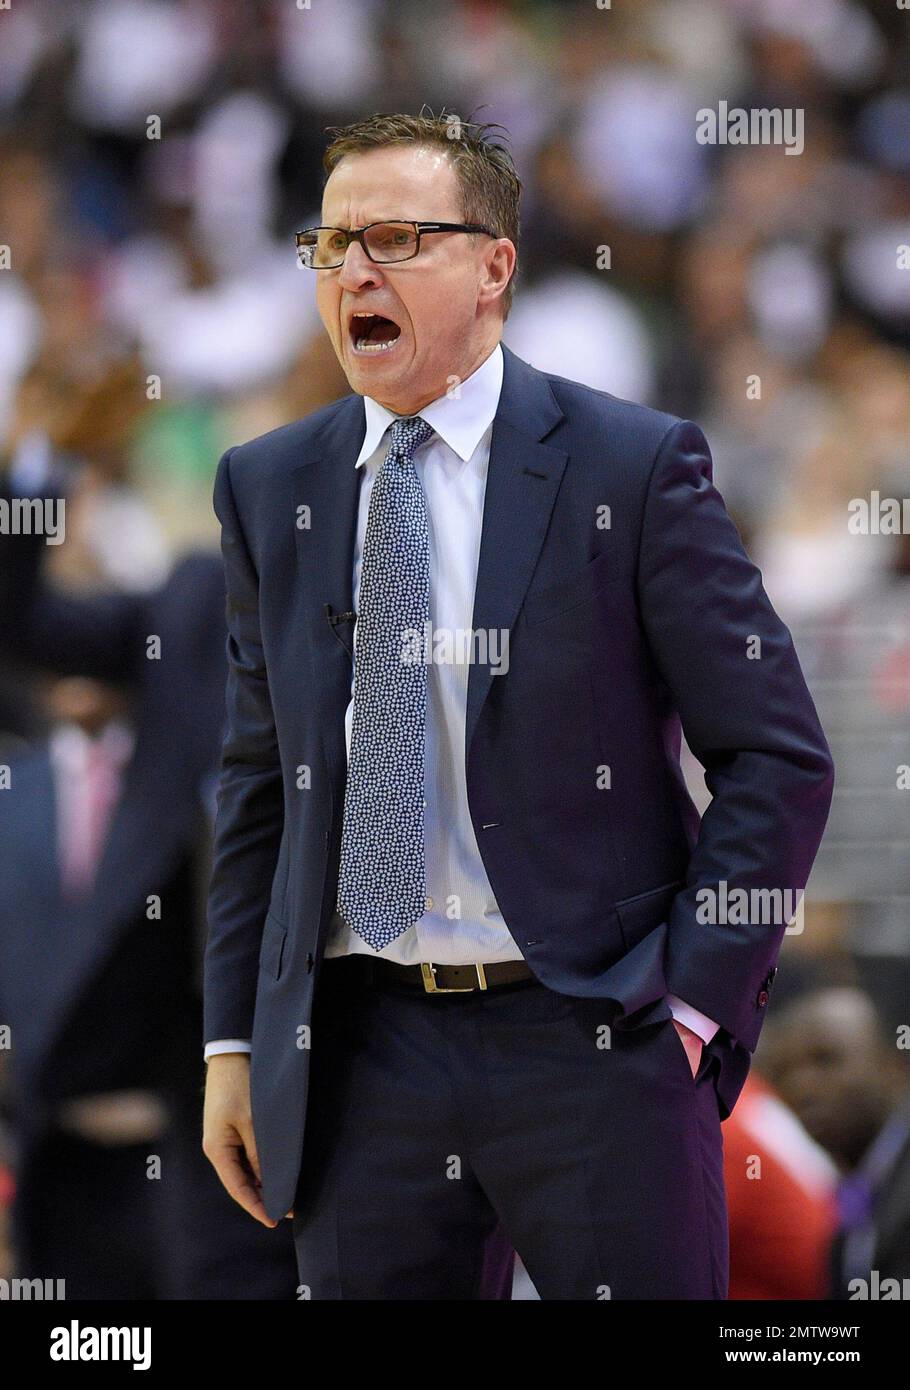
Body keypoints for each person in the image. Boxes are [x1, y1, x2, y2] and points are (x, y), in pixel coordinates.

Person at [202, 111, 835, 1300]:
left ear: (494, 266)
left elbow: (777, 756)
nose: (354, 274)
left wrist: (689, 1009)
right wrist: (234, 1039)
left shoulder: (630, 467)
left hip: (590, 1036)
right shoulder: (267, 484)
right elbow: (256, 781)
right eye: (330, 246)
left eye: (393, 238)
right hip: (362, 1049)